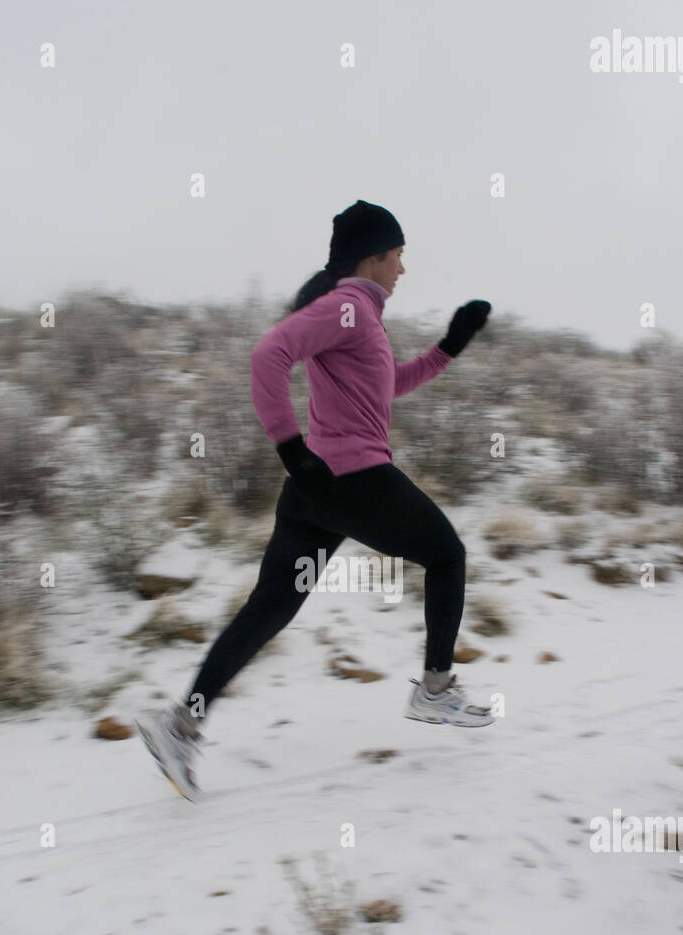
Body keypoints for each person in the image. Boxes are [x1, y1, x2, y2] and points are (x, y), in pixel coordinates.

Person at [136, 200, 493, 800]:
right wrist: (290, 446)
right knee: (447, 556)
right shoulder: (350, 308)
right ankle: (434, 690)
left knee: (268, 609)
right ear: (373, 256)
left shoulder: (362, 319)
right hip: (352, 479)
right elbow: (268, 355)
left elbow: (388, 387)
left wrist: (450, 346)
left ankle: (180, 727)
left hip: (315, 493)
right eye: (399, 256)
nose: (404, 269)